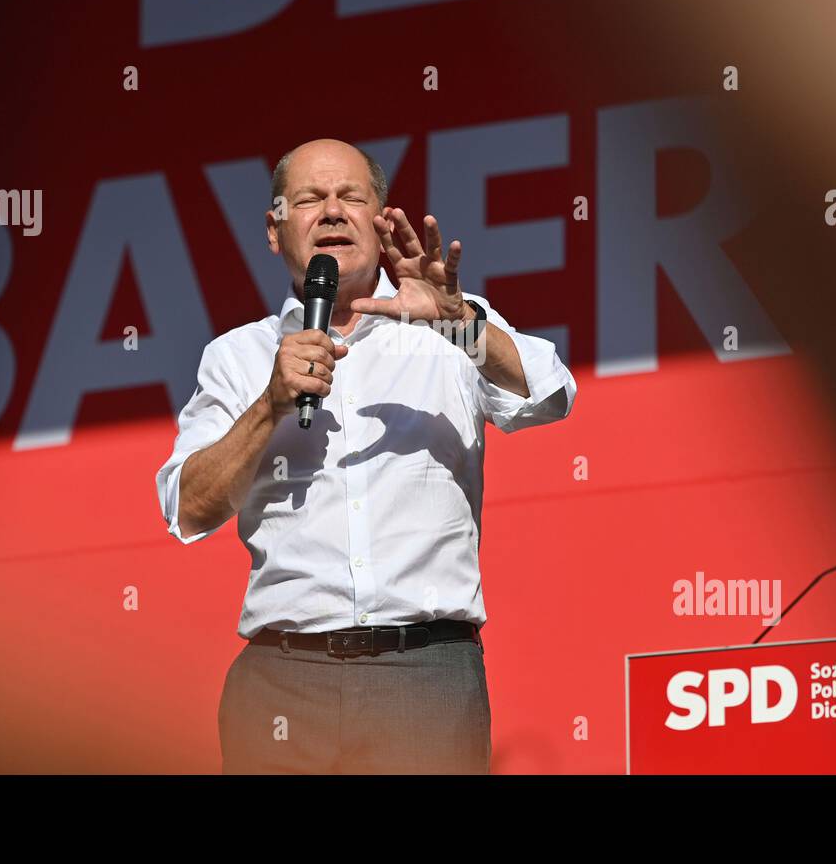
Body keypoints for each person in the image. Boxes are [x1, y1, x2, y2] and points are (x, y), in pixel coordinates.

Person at [155, 138, 576, 773]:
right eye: (308, 200)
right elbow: (187, 509)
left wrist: (457, 322)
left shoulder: (448, 327)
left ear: (381, 224)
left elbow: (551, 392)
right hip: (281, 682)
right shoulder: (238, 356)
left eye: (350, 197)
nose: (331, 212)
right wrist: (269, 404)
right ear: (275, 230)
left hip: (424, 677)